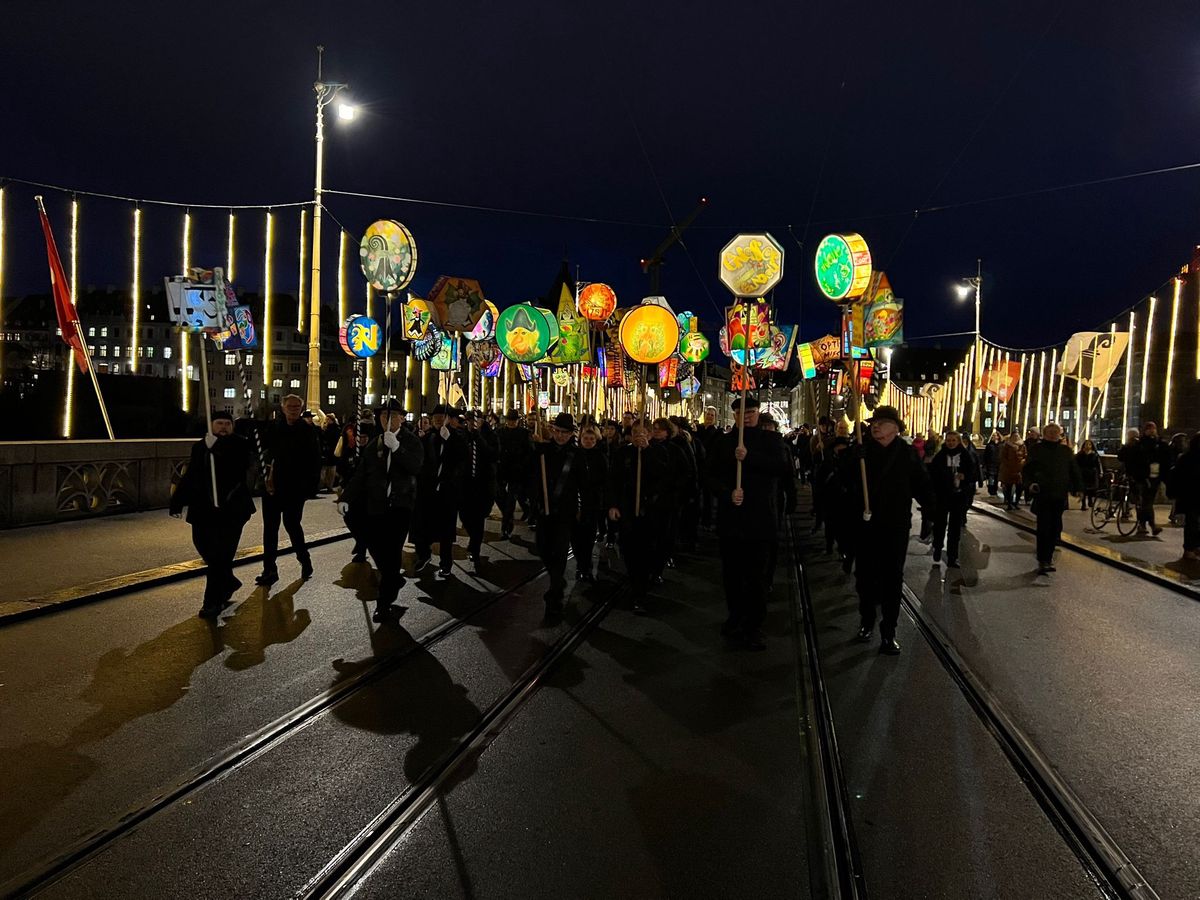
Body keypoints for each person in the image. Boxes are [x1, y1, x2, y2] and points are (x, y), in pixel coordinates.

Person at [839, 406, 931, 655]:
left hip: (895, 526)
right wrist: (850, 459)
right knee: (865, 577)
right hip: (866, 525)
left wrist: (929, 516)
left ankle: (888, 632)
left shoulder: (907, 454)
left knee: (892, 579)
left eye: (881, 422)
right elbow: (843, 481)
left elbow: (922, 485)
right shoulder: (862, 450)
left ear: (895, 428)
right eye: (874, 422)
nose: (875, 426)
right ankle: (866, 621)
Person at [706, 395, 792, 651]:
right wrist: (726, 493)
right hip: (732, 519)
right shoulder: (723, 442)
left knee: (756, 577)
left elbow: (782, 469)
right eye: (741, 413)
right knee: (732, 575)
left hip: (760, 519)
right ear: (733, 415)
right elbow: (709, 475)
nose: (746, 417)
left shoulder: (772, 440)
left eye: (751, 412)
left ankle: (754, 626)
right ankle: (735, 616)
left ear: (758, 413)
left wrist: (749, 457)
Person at [341, 399, 424, 622]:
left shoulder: (412, 441)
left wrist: (397, 448)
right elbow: (361, 474)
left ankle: (384, 602)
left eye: (392, 416)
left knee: (392, 552)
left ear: (401, 418)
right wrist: (346, 497)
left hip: (400, 506)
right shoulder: (375, 444)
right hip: (376, 506)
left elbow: (415, 466)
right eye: (383, 416)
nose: (387, 420)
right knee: (380, 551)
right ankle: (391, 578)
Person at [170, 409, 256, 618]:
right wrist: (177, 502)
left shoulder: (241, 444)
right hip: (204, 509)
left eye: (227, 424)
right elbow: (192, 474)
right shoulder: (200, 446)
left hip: (232, 509)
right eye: (219, 424)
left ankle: (212, 602)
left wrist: (215, 448)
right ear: (212, 426)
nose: (223, 427)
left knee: (220, 555)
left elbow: (238, 467)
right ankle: (228, 581)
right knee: (203, 545)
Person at [608, 420, 674, 613]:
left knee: (646, 551)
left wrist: (647, 452)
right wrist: (613, 505)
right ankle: (634, 578)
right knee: (628, 549)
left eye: (643, 432)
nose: (639, 435)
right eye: (636, 432)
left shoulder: (659, 452)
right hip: (627, 509)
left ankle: (640, 592)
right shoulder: (623, 453)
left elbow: (664, 476)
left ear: (650, 434)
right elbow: (613, 480)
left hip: (649, 510)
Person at [257, 394, 322, 586]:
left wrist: (310, 487)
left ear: (301, 409)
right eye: (290, 406)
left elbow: (315, 459)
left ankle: (304, 559)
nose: (293, 409)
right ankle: (269, 569)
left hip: (295, 487)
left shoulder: (308, 431)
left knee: (292, 525)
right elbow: (262, 447)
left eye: (296, 406)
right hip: (273, 486)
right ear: (283, 408)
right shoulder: (274, 427)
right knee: (270, 528)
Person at [533, 412, 583, 611]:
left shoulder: (577, 455)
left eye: (565, 432)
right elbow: (533, 475)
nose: (560, 436)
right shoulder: (544, 451)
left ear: (571, 434)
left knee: (560, 551)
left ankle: (554, 590)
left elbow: (584, 484)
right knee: (543, 547)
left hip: (565, 511)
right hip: (544, 509)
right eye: (558, 431)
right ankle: (556, 578)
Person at [413, 404, 468, 577]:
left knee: (446, 530)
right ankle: (424, 554)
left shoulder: (458, 437)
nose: (437, 421)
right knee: (422, 525)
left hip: (447, 490)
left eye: (440, 418)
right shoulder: (428, 437)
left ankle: (446, 563)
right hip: (427, 490)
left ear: (448, 420)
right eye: (435, 418)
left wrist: (449, 440)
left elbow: (463, 457)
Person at [1022, 423, 1082, 575]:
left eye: (1056, 432)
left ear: (1059, 434)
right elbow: (1027, 470)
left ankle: (1048, 555)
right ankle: (1044, 559)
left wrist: (1079, 488)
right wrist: (1030, 485)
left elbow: (1074, 470)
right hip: (1043, 493)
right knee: (1043, 528)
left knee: (1055, 527)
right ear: (1045, 434)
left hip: (1059, 494)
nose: (1053, 434)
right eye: (1050, 432)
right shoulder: (1037, 449)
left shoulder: (1065, 451)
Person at [928, 430, 978, 568]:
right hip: (943, 495)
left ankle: (952, 556)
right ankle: (937, 547)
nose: (950, 443)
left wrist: (964, 477)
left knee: (955, 528)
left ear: (958, 441)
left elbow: (972, 472)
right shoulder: (940, 456)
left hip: (959, 496)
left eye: (953, 440)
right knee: (940, 524)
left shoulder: (965, 455)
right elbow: (933, 474)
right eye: (948, 440)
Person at [460, 410, 499, 568]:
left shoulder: (490, 436)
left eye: (474, 420)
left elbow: (493, 455)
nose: (471, 423)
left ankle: (475, 548)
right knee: (465, 517)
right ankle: (474, 538)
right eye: (468, 420)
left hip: (483, 484)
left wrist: (479, 439)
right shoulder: (462, 435)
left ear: (482, 421)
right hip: (466, 483)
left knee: (478, 518)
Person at [572, 423, 608, 582]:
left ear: (596, 440)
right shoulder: (574, 455)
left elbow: (606, 479)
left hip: (593, 502)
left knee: (588, 536)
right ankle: (581, 562)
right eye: (585, 438)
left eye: (591, 438)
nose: (588, 441)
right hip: (576, 501)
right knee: (575, 536)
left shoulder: (600, 456)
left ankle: (584, 566)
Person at [1122, 421, 1171, 535]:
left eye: (1153, 428)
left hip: (1155, 477)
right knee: (1146, 502)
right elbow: (1134, 460)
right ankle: (1150, 525)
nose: (1152, 430)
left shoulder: (1159, 444)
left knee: (1147, 502)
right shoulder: (1140, 444)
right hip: (1142, 477)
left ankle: (1143, 525)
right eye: (1149, 428)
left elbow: (1166, 458)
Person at [495, 409, 533, 539]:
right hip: (502, 470)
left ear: (517, 421)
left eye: (514, 420)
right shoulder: (499, 432)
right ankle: (510, 515)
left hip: (517, 471)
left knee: (511, 500)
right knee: (500, 497)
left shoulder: (524, 433)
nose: (511, 422)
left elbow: (529, 452)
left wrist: (522, 465)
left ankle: (506, 528)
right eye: (509, 420)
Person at [1167, 432, 1200, 560]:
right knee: (1192, 523)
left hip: (1190, 495)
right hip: (1191, 495)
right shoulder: (1187, 458)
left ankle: (1194, 546)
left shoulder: (1185, 457)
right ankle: (1189, 549)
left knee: (1193, 523)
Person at [999, 431, 1026, 510]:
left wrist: (1023, 462)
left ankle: (1016, 502)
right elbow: (1003, 456)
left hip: (1019, 469)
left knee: (1019, 487)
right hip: (1009, 469)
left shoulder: (1022, 445)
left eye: (1017, 436)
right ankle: (1009, 503)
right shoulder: (1007, 446)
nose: (1016, 437)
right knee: (1009, 487)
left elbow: (1025, 455)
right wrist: (1007, 464)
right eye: (1014, 436)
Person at [1075, 439, 1102, 510]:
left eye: (1089, 444)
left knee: (1091, 489)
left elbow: (1098, 464)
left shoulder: (1094, 454)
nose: (1088, 446)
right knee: (1083, 489)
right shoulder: (1080, 454)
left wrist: (1100, 472)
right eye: (1086, 444)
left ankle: (1090, 501)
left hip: (1092, 473)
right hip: (1083, 473)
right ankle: (1083, 504)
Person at [983, 430, 1003, 496]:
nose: (994, 437)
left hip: (998, 463)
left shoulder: (1000, 445)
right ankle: (991, 490)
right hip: (991, 463)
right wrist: (985, 463)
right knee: (991, 478)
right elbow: (986, 455)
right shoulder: (989, 445)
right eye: (993, 435)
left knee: (996, 478)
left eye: (995, 435)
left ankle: (995, 490)